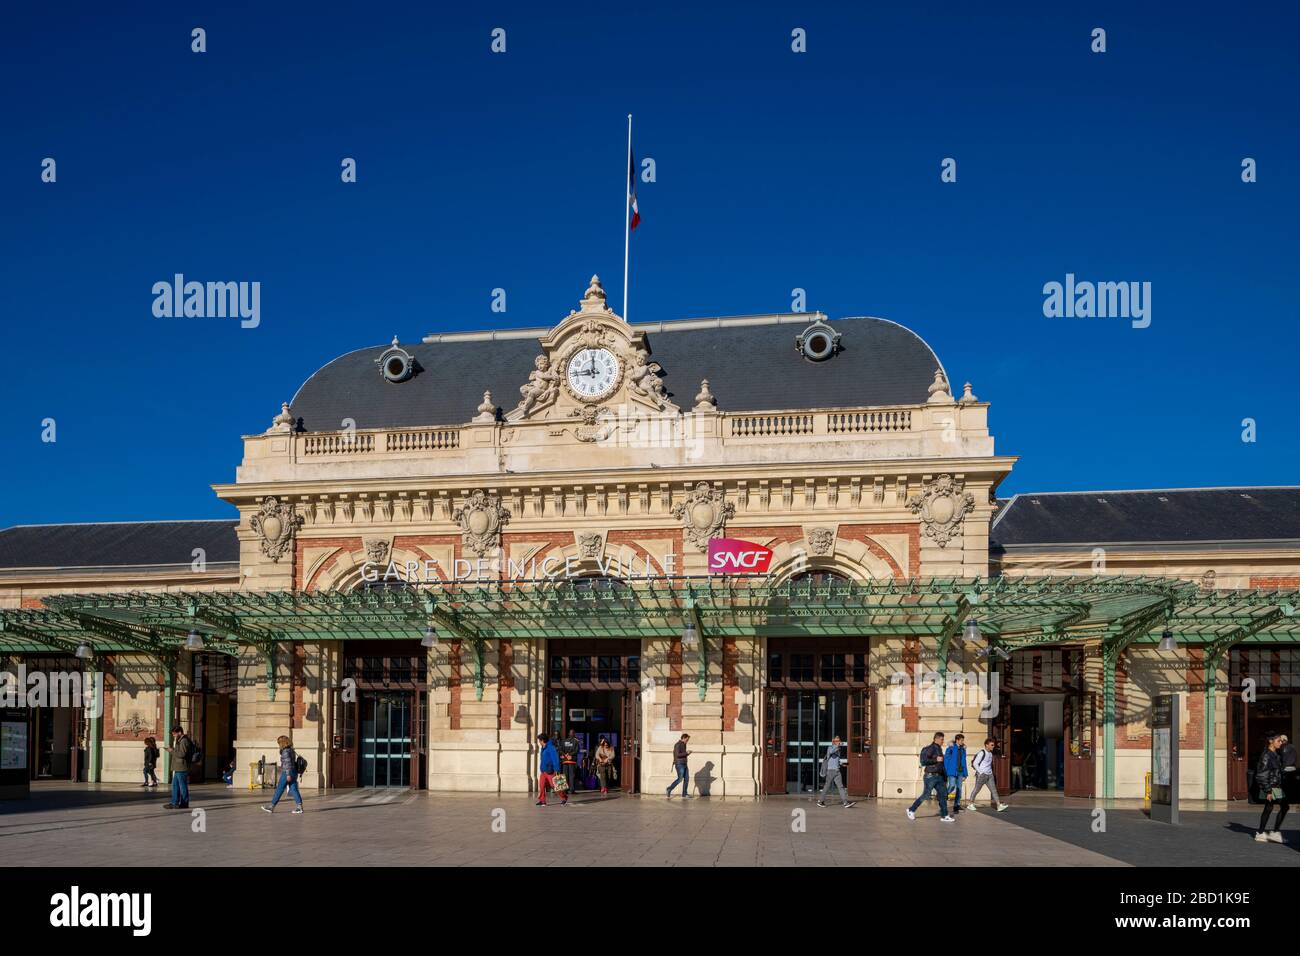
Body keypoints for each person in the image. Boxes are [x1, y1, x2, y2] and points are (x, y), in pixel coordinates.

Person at [906, 732, 954, 822]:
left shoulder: (939, 749)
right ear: (936, 739)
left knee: (943, 795)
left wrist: (944, 776)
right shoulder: (929, 748)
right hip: (930, 776)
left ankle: (945, 815)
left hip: (939, 777)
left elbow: (941, 765)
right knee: (926, 795)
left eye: (943, 739)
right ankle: (911, 810)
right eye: (941, 739)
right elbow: (923, 761)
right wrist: (935, 759)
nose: (943, 741)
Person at [1255, 733, 1288, 844]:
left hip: (1276, 786)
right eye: (1278, 741)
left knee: (1270, 808)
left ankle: (1263, 832)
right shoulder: (1266, 755)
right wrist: (1268, 790)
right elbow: (1261, 774)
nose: (1281, 743)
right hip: (1271, 787)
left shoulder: (1276, 754)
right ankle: (1269, 832)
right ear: (1271, 741)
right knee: (1281, 806)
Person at [261, 735, 304, 814]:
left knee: (280, 789)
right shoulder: (291, 750)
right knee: (294, 789)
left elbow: (287, 763)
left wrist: (288, 775)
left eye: (279, 743)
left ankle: (271, 807)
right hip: (293, 771)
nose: (278, 745)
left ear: (282, 743)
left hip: (287, 772)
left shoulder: (285, 751)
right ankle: (299, 807)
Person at [967, 738, 1009, 811]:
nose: (993, 746)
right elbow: (975, 763)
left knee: (994, 790)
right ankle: (970, 804)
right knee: (977, 789)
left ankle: (999, 805)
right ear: (987, 745)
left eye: (993, 745)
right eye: (992, 745)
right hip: (982, 775)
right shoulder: (982, 753)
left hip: (989, 775)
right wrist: (981, 772)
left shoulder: (990, 753)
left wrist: (991, 772)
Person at [816, 735, 856, 808]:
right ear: (833, 741)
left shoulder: (838, 749)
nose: (838, 742)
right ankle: (820, 801)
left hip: (837, 771)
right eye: (836, 740)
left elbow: (835, 760)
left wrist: (841, 764)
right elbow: (831, 752)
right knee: (827, 786)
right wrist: (836, 745)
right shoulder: (830, 748)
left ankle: (845, 803)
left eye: (839, 740)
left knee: (841, 787)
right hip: (830, 771)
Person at [163, 724, 194, 810]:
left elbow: (182, 754)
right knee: (175, 786)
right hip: (178, 767)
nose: (174, 735)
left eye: (174, 734)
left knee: (182, 786)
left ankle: (184, 803)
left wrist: (171, 751)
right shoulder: (180, 740)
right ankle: (174, 803)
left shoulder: (184, 741)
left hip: (182, 767)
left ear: (180, 732)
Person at [536, 733, 567, 807]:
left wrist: (557, 769)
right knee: (541, 785)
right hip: (543, 770)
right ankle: (542, 800)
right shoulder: (543, 747)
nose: (539, 742)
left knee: (554, 785)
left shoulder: (550, 747)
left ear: (542, 740)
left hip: (550, 770)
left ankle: (564, 797)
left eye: (539, 741)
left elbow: (555, 758)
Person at [943, 733, 968, 815]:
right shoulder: (950, 748)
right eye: (961, 740)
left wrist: (965, 773)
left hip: (960, 772)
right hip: (952, 771)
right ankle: (943, 797)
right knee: (952, 786)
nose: (962, 742)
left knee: (959, 789)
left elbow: (964, 761)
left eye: (963, 740)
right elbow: (946, 760)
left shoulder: (963, 749)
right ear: (957, 740)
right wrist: (946, 771)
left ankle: (956, 805)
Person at [666, 733, 691, 798]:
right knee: (680, 779)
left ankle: (684, 794)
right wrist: (686, 753)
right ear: (683, 738)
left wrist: (688, 753)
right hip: (679, 764)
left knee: (687, 779)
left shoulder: (684, 744)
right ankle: (669, 789)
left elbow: (682, 754)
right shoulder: (677, 745)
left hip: (684, 764)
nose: (687, 741)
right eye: (687, 739)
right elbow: (677, 755)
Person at [559, 728, 582, 793]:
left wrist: (565, 755)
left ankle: (565, 790)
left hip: (565, 760)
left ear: (569, 734)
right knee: (572, 775)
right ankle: (571, 789)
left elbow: (560, 750)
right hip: (572, 760)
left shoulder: (564, 741)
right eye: (573, 733)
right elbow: (576, 751)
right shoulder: (576, 741)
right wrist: (569, 755)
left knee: (565, 775)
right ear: (573, 734)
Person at [1279, 734, 1298, 804]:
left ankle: (1288, 799)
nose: (1280, 742)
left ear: (1284, 740)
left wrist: (1284, 766)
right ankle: (1290, 799)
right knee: (1290, 785)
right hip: (1290, 768)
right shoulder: (1290, 747)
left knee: (1287, 785)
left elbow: (1286, 759)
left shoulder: (1286, 748)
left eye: (1281, 741)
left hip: (1287, 768)